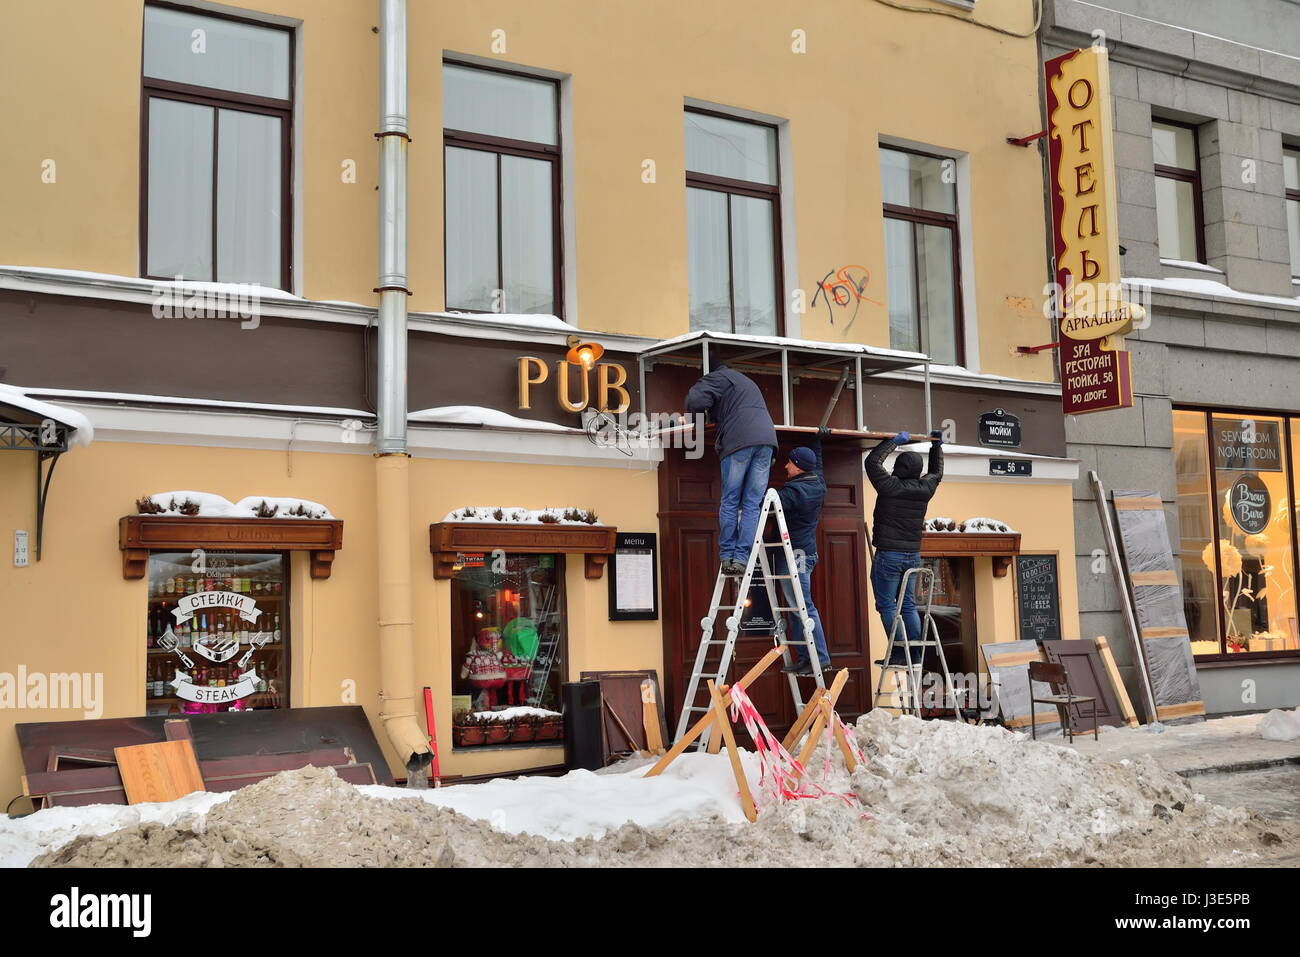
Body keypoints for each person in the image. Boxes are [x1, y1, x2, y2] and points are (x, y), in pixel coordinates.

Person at [684, 366, 778, 575]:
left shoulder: (715, 378)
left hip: (739, 440)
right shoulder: (742, 382)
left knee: (730, 500)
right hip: (767, 442)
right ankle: (742, 558)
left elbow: (695, 400)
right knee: (752, 503)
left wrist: (697, 421)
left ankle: (727, 556)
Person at [865, 429, 944, 667]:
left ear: (899, 467)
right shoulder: (926, 488)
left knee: (887, 604)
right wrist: (936, 447)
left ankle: (900, 653)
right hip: (912, 555)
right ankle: (915, 653)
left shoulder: (890, 486)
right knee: (907, 603)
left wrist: (892, 443)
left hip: (889, 554)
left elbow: (872, 461)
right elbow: (936, 472)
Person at [775, 429, 832, 676]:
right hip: (804, 553)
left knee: (803, 607)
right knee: (798, 607)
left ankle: (819, 658)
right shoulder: (816, 481)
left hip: (795, 555)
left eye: (789, 462)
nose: (785, 466)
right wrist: (816, 440)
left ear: (798, 467)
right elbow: (816, 462)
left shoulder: (794, 493)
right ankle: (807, 658)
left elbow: (766, 502)